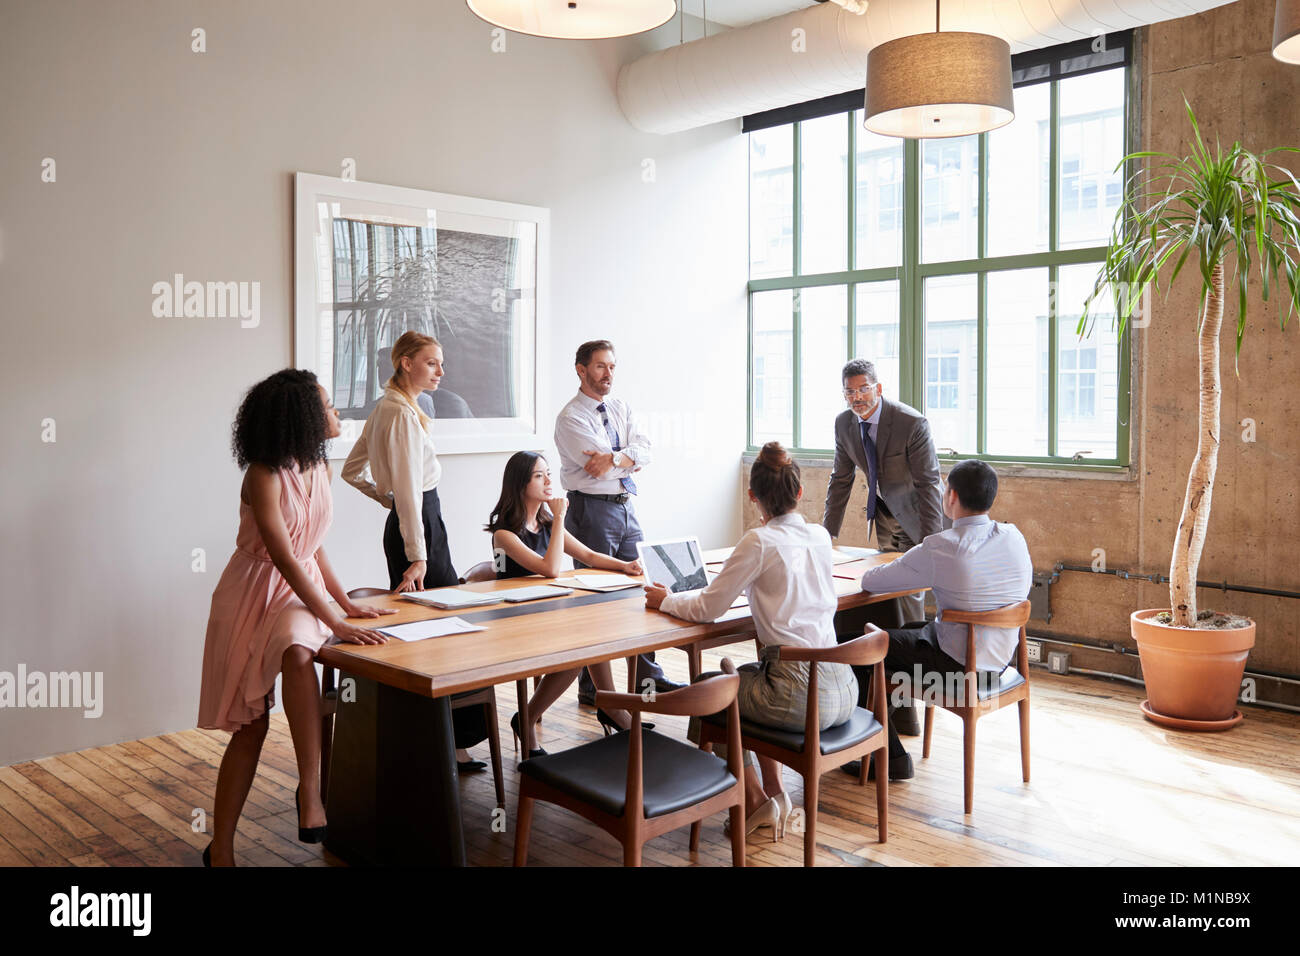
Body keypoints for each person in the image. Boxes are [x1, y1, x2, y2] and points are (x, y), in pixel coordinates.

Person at [198, 370, 395, 867]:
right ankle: (220, 850)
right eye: (328, 407)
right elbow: (284, 556)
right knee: (252, 728)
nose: (336, 414)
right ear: (302, 418)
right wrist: (339, 618)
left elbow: (312, 546)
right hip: (251, 594)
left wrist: (345, 603)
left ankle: (310, 791)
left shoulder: (319, 468)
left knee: (298, 648)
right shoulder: (262, 475)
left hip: (294, 592)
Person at [646, 443, 859, 840]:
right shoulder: (819, 536)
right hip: (843, 686)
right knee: (751, 679)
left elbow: (709, 607)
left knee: (714, 690)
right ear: (799, 492)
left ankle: (757, 799)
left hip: (799, 694)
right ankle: (775, 794)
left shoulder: (758, 541)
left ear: (752, 496)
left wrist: (666, 599)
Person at [341, 330, 489, 770]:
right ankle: (445, 745)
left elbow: (352, 472)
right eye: (431, 363)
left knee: (432, 632)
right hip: (419, 525)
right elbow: (408, 491)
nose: (441, 372)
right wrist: (419, 553)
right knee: (440, 633)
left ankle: (437, 743)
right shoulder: (401, 414)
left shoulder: (390, 406)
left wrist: (383, 498)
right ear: (405, 362)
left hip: (414, 522)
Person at [839, 459, 1033, 781]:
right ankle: (891, 728)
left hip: (958, 673)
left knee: (857, 649)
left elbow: (873, 581)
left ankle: (887, 758)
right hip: (998, 665)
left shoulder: (943, 547)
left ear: (951, 495)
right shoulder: (1014, 537)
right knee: (905, 634)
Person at [486, 450, 646, 755]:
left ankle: (609, 703)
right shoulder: (504, 534)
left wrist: (624, 566)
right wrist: (560, 517)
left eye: (548, 473)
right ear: (520, 484)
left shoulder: (546, 525)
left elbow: (587, 555)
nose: (549, 480)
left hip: (547, 611)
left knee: (595, 634)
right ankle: (529, 718)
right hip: (514, 620)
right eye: (538, 475)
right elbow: (551, 568)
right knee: (578, 653)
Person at [554, 339, 683, 708]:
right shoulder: (571, 417)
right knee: (598, 600)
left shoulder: (621, 406)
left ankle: (648, 680)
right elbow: (597, 464)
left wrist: (618, 457)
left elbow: (645, 449)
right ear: (581, 370)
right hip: (591, 509)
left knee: (644, 587)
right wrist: (625, 458)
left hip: (626, 506)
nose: (608, 373)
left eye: (612, 366)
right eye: (600, 366)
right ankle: (592, 685)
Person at [822, 357, 944, 734]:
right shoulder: (844, 424)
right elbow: (840, 480)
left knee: (908, 608)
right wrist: (827, 537)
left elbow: (929, 484)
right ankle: (881, 707)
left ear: (879, 388)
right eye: (849, 392)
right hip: (884, 520)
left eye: (863, 389)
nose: (857, 398)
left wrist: (931, 545)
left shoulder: (911, 423)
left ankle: (907, 714)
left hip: (918, 520)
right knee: (884, 603)